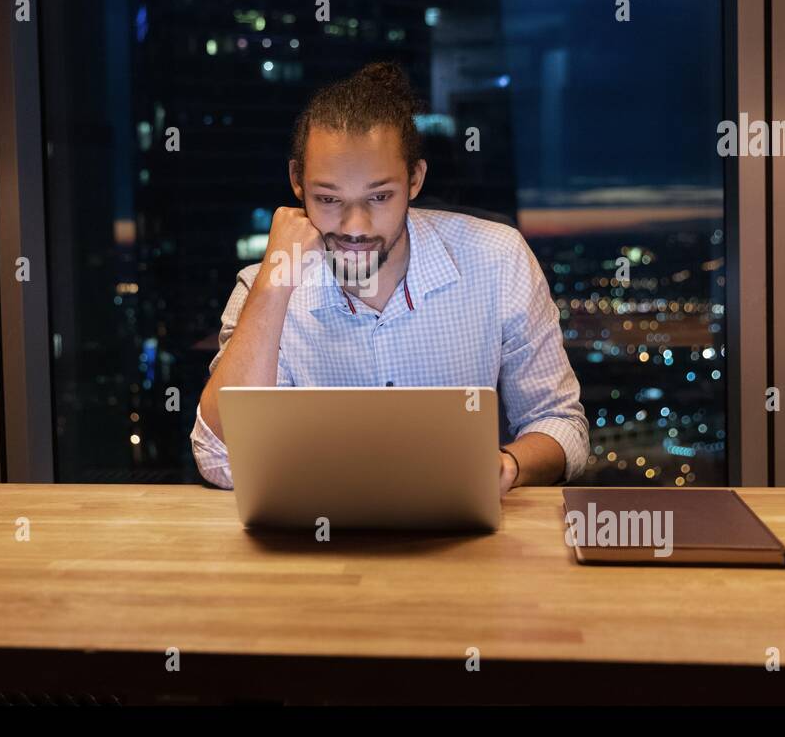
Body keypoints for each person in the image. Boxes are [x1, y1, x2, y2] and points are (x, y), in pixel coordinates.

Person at [191, 61, 588, 496]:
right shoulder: (263, 285)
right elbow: (221, 461)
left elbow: (562, 425)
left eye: (379, 197)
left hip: (466, 549)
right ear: (297, 184)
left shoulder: (498, 258)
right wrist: (274, 284)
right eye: (328, 198)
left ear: (415, 179)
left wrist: (507, 467)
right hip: (319, 545)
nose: (355, 225)